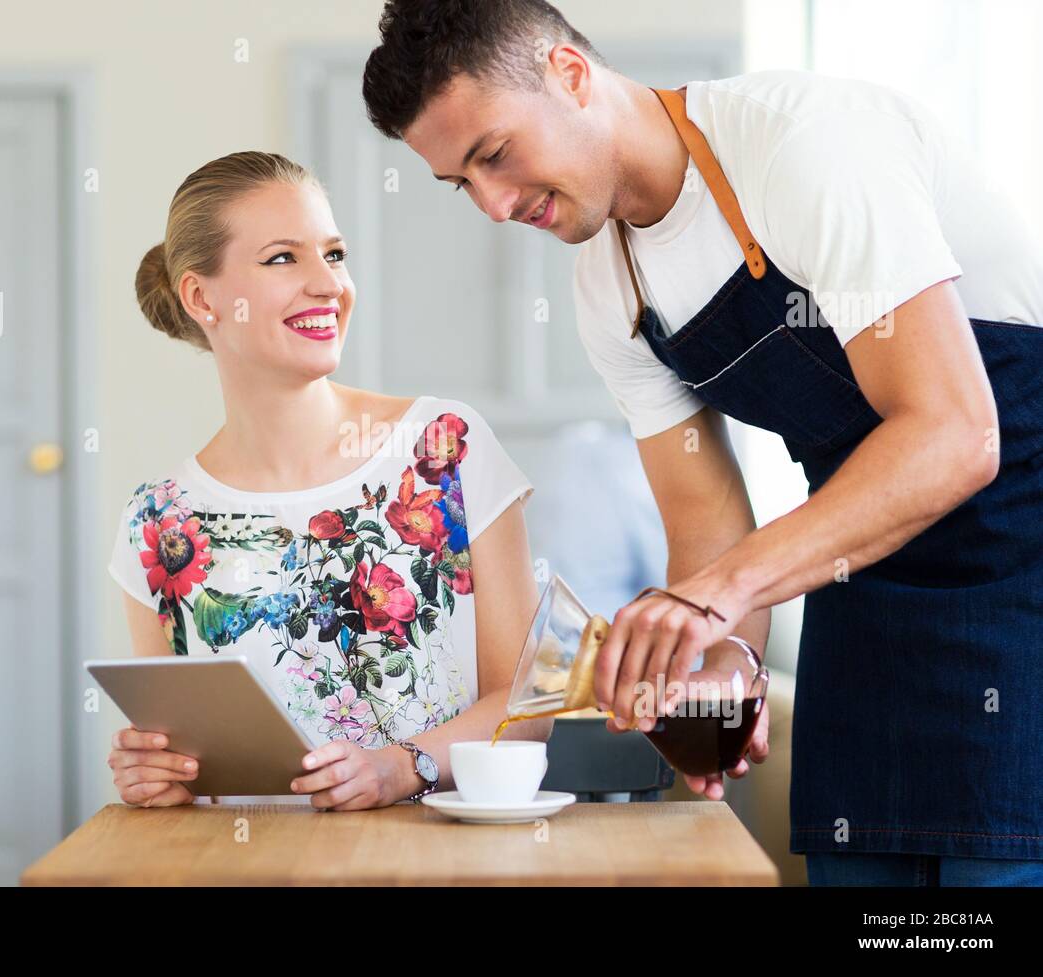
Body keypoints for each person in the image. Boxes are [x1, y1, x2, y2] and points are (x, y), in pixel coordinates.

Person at [361, 0, 1043, 884]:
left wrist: (710, 600)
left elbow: (956, 434)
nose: (492, 204)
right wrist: (723, 664)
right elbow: (706, 525)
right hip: (862, 588)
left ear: (570, 75)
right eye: (463, 183)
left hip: (1025, 572)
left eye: (493, 154)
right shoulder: (615, 290)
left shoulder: (804, 149)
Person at [106, 150, 546, 811]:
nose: (327, 284)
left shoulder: (445, 447)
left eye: (334, 254)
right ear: (202, 297)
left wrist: (402, 767)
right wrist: (160, 776)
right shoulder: (158, 521)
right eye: (284, 258)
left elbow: (525, 707)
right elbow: (188, 761)